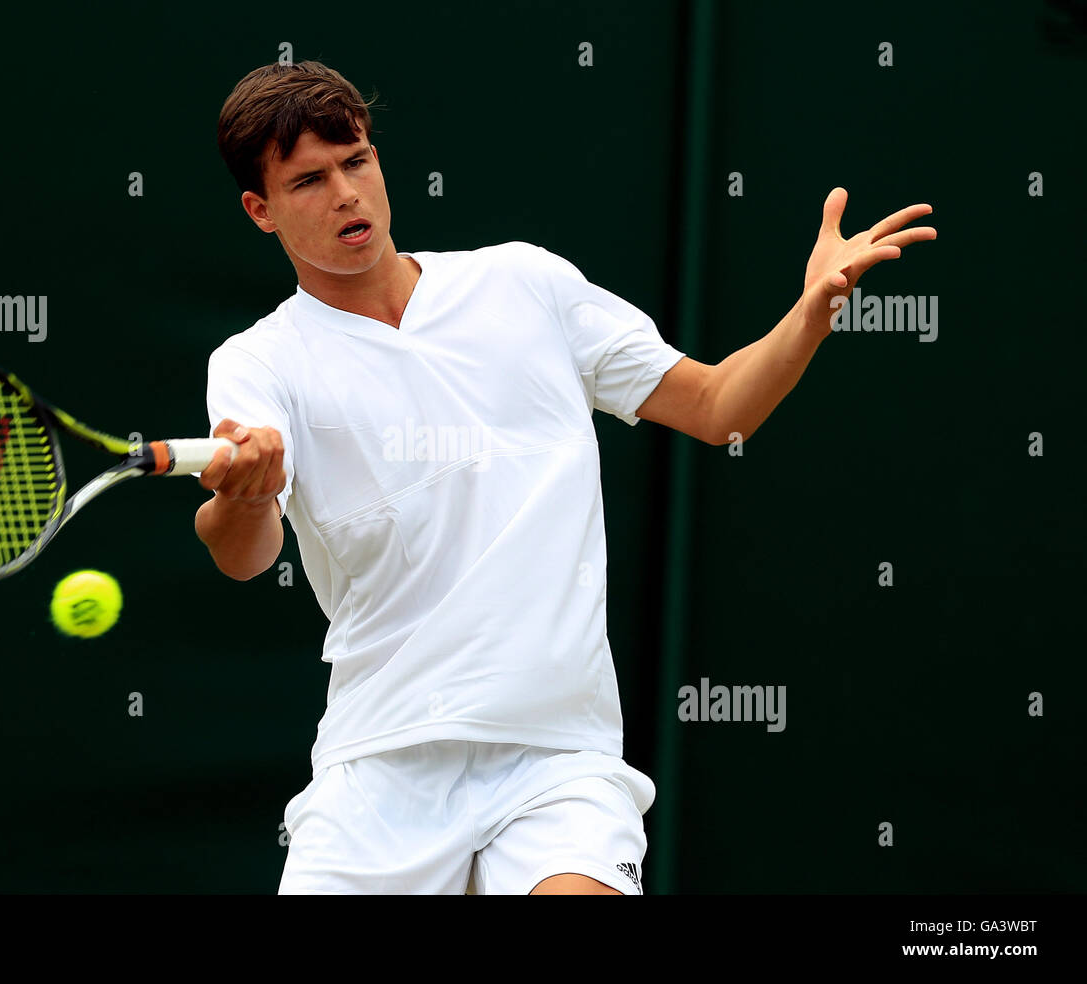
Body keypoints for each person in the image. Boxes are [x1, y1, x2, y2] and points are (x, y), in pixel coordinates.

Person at [195, 60, 935, 895]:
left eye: (356, 160)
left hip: (556, 761)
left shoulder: (524, 283)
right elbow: (242, 553)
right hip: (379, 767)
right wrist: (243, 496)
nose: (346, 193)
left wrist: (809, 316)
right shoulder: (257, 363)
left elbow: (719, 407)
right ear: (260, 210)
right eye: (308, 180)